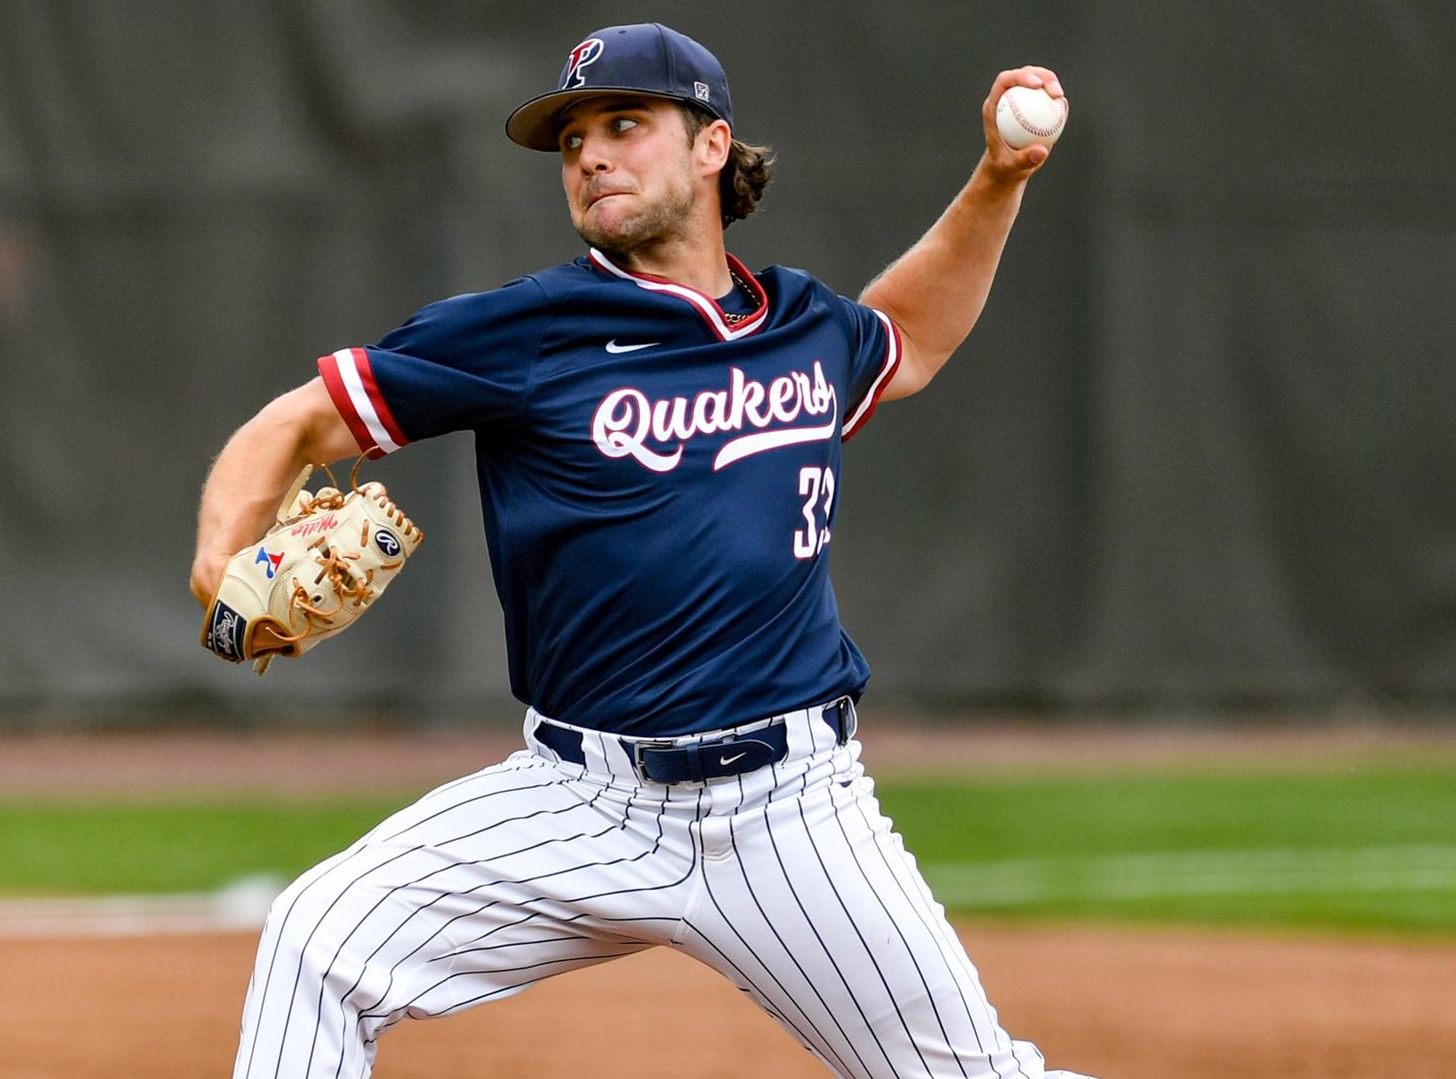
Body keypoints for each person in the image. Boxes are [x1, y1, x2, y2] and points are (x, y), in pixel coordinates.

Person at [191, 23, 1090, 1079]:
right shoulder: (530, 328)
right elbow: (292, 424)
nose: (592, 155)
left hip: (793, 811)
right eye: (572, 139)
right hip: (577, 797)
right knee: (317, 941)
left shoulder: (801, 324)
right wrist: (221, 562)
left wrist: (998, 176)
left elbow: (911, 336)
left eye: (625, 123)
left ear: (712, 146)